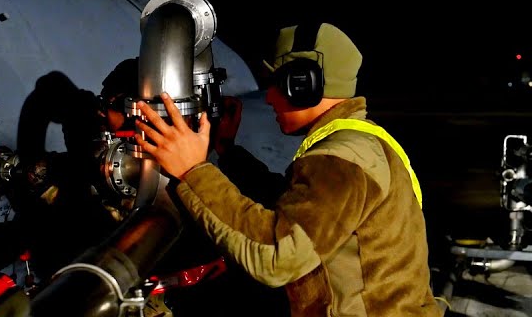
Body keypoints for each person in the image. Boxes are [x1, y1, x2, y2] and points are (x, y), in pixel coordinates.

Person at [134, 22, 440, 316]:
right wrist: (229, 153)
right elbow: (296, 209)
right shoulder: (360, 142)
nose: (269, 98)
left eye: (276, 84)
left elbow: (277, 255)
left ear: (302, 85)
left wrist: (193, 171)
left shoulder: (340, 160)